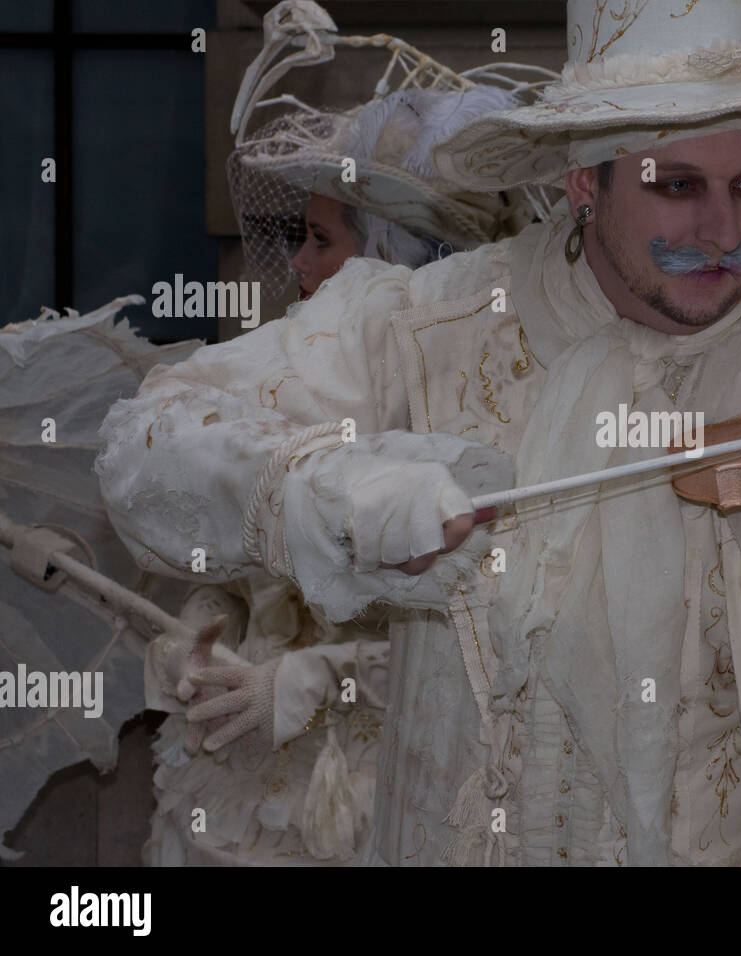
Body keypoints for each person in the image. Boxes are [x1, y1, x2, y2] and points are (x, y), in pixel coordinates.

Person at [98, 0, 741, 867]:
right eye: (677, 186)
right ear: (584, 180)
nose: (724, 231)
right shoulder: (425, 327)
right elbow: (149, 446)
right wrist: (330, 494)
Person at [136, 1, 549, 865]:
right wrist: (199, 631)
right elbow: (242, 559)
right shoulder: (289, 378)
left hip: (374, 797)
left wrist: (314, 680)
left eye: (322, 240)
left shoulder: (483, 414)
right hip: (240, 785)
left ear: (393, 261)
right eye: (300, 236)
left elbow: (499, 635)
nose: (299, 265)